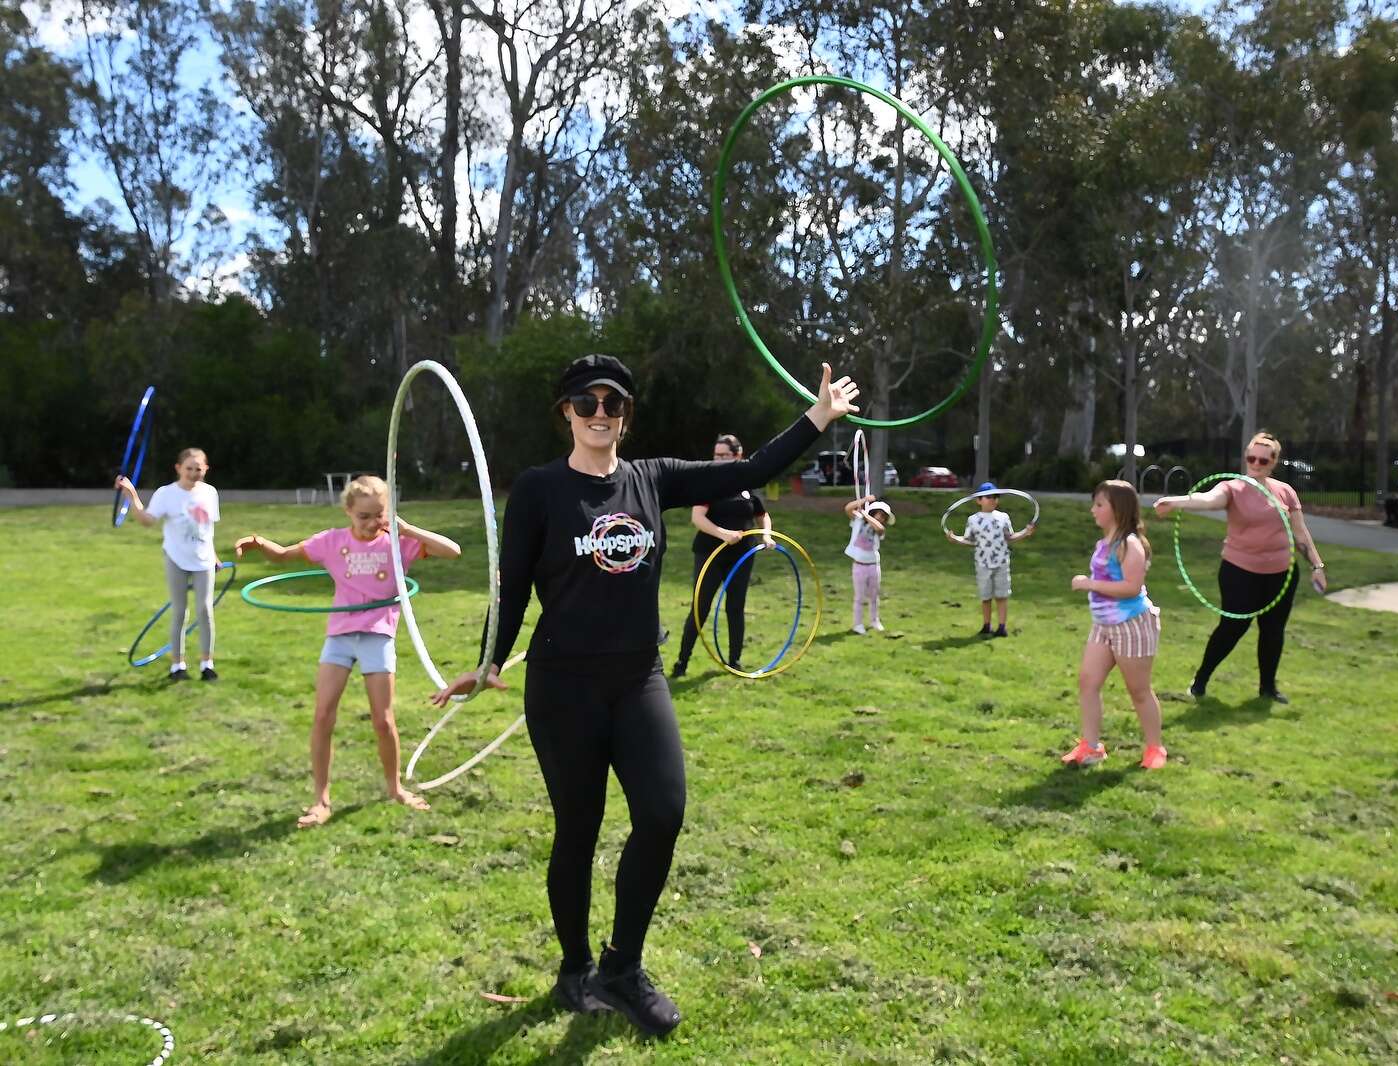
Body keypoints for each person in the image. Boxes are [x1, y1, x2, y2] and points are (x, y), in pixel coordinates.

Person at [430, 354, 860, 1037]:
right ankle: (575, 970)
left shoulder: (652, 479)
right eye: (587, 403)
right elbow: (511, 587)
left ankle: (621, 968)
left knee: (662, 813)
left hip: (638, 679)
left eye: (614, 404)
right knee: (578, 829)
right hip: (563, 686)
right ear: (566, 412)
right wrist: (486, 662)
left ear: (626, 416)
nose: (600, 414)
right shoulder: (539, 490)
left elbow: (748, 473)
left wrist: (819, 416)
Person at [234, 475, 461, 828]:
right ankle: (321, 800)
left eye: (379, 515)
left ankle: (395, 788)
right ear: (348, 512)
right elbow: (282, 556)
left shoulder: (398, 543)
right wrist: (259, 543)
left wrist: (405, 528)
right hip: (340, 636)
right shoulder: (331, 542)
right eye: (363, 516)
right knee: (323, 715)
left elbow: (453, 551)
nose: (372, 523)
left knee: (383, 720)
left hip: (377, 636)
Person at [1154, 431, 1328, 703]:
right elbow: (1208, 500)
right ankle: (1200, 681)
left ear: (1273, 462)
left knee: (1273, 630)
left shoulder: (1285, 492)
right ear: (1246, 458)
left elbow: (1300, 533)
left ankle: (1268, 688)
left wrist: (1317, 565)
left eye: (1263, 460)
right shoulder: (1232, 488)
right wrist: (1177, 502)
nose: (1256, 464)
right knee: (1233, 627)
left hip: (1281, 573)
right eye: (1251, 458)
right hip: (1239, 572)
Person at [1061, 480, 1166, 770]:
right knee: (1087, 682)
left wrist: (1089, 584)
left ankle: (1155, 748)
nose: (1093, 510)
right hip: (1103, 625)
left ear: (1117, 509)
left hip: (1131, 624)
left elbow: (1132, 587)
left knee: (1138, 690)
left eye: (1099, 505)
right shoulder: (1104, 543)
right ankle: (1091, 747)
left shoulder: (1130, 545)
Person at [115, 448, 223, 682]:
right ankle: (177, 666)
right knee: (180, 612)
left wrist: (213, 555)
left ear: (205, 469)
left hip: (203, 560)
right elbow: (147, 520)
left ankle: (207, 664)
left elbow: (208, 530)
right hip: (176, 558)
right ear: (178, 468)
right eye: (189, 468)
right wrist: (131, 495)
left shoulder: (210, 493)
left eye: (198, 469)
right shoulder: (166, 494)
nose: (193, 473)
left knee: (205, 611)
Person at [670, 434, 773, 678]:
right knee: (701, 607)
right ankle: (682, 663)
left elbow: (762, 515)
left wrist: (767, 535)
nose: (718, 460)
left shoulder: (747, 484)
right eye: (716, 455)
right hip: (710, 554)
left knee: (736, 607)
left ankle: (735, 661)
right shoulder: (709, 483)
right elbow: (697, 518)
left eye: (724, 455)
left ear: (738, 455)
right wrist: (722, 534)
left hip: (742, 555)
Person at [943, 482, 1035, 637]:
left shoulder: (1003, 517)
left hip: (1001, 562)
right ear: (979, 500)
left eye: (995, 496)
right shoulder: (973, 520)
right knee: (985, 596)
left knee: (1002, 595)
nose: (993, 499)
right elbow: (970, 540)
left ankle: (1002, 627)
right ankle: (986, 625)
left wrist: (1025, 533)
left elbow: (1009, 537)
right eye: (989, 497)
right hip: (982, 563)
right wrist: (955, 539)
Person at [843, 495, 893, 634]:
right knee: (859, 597)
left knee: (874, 596)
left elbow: (879, 528)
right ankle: (858, 624)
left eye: (883, 517)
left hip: (873, 565)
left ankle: (874, 620)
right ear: (873, 512)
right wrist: (865, 500)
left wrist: (866, 515)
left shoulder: (879, 529)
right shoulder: (858, 521)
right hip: (859, 566)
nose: (881, 518)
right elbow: (848, 508)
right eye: (879, 514)